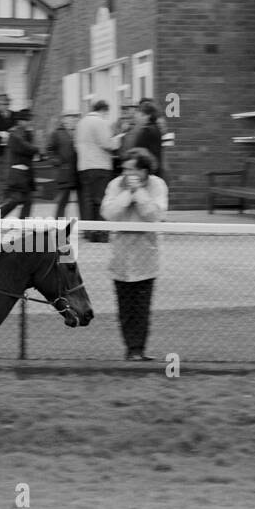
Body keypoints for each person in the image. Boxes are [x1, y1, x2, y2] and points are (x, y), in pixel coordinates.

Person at [101, 148, 168, 362]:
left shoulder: (157, 185)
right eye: (124, 168)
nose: (125, 173)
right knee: (125, 307)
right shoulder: (115, 185)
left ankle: (138, 349)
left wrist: (138, 192)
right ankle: (131, 349)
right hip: (120, 254)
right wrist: (127, 194)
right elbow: (109, 213)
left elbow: (154, 215)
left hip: (145, 254)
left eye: (130, 169)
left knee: (142, 307)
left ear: (143, 170)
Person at [76, 99, 119, 242]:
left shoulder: (81, 123)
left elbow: (76, 145)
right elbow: (107, 143)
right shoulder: (101, 122)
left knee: (87, 200)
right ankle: (101, 234)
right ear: (104, 110)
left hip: (84, 166)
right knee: (101, 200)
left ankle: (89, 233)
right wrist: (118, 139)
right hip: (100, 166)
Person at [0, 110, 37, 219]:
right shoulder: (15, 134)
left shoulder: (25, 133)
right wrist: (35, 149)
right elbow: (27, 148)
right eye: (27, 120)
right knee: (16, 199)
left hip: (25, 173)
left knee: (28, 201)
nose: (29, 122)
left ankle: (23, 225)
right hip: (18, 173)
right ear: (20, 121)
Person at [46, 109, 80, 219]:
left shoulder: (79, 132)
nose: (74, 119)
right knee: (62, 202)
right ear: (64, 119)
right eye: (71, 117)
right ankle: (58, 227)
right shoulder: (57, 133)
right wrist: (57, 161)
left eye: (75, 117)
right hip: (64, 173)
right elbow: (49, 150)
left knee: (82, 203)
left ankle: (86, 228)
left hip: (78, 173)